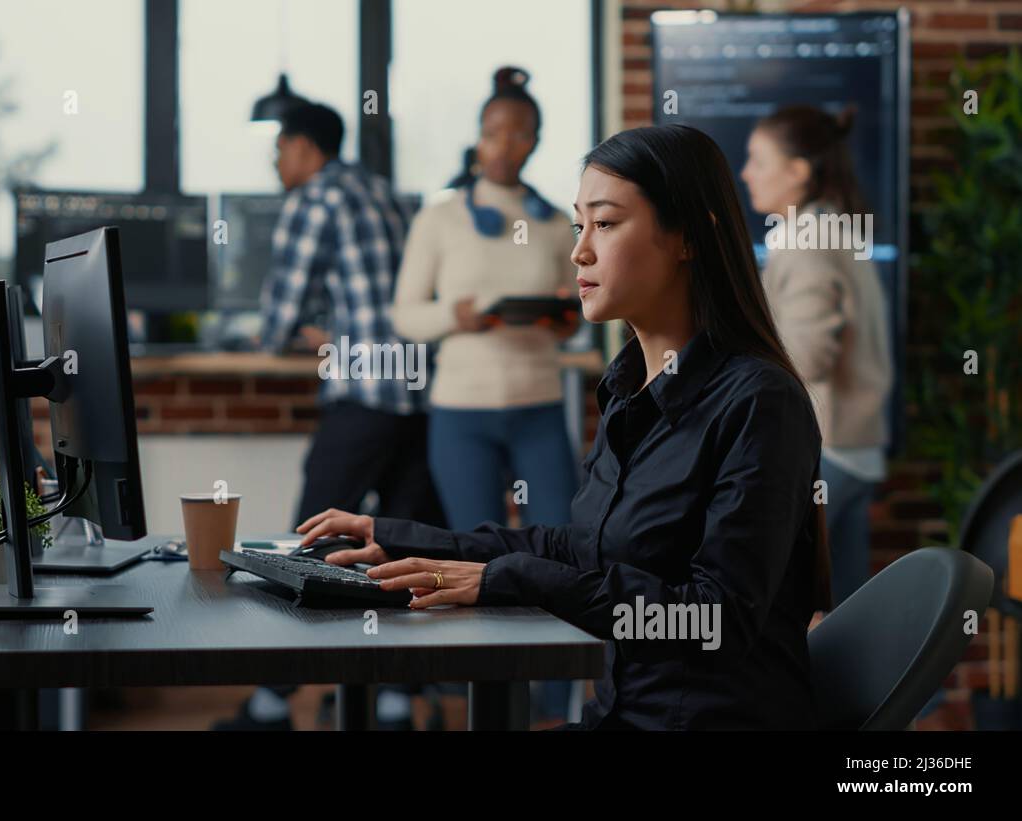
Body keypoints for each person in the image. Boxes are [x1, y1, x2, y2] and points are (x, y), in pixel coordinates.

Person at [297, 124, 832, 731]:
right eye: (580, 227)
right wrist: (399, 537)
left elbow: (714, 620)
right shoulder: (630, 388)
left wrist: (510, 579)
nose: (580, 251)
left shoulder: (760, 403)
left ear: (688, 237)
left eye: (605, 224)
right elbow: (575, 547)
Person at [215, 102, 446, 731]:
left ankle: (271, 703)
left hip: (365, 396)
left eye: (280, 147)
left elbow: (282, 307)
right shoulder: (390, 195)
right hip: (422, 398)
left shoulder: (315, 199)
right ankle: (396, 701)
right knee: (398, 547)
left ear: (306, 148)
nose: (275, 160)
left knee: (308, 543)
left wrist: (267, 337)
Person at [391, 67, 582, 722]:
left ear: (534, 142)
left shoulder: (557, 222)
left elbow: (576, 307)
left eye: (518, 133)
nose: (503, 143)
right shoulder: (440, 218)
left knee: (561, 549)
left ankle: (557, 701)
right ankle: (483, 700)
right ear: (478, 137)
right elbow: (406, 314)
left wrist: (566, 317)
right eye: (493, 131)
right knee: (469, 554)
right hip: (462, 412)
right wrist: (457, 316)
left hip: (536, 404)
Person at [740, 105, 892, 606]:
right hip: (852, 450)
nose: (746, 174)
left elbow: (805, 357)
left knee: (793, 613)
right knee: (842, 617)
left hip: (826, 452)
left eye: (759, 161)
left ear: (798, 171)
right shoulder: (829, 230)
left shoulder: (807, 243)